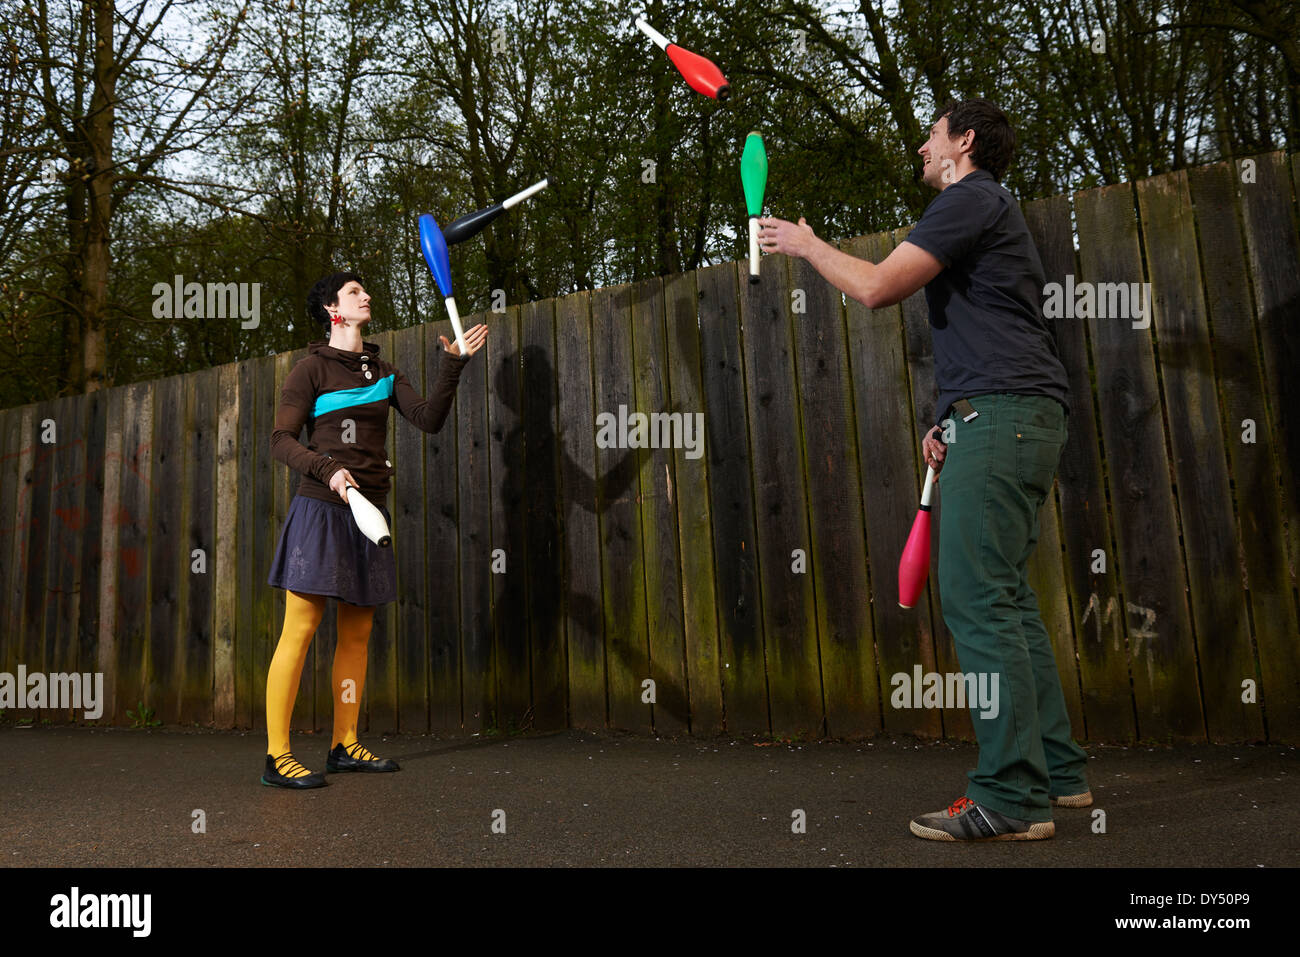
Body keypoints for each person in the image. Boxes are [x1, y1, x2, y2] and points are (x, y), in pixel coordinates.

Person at [757, 99, 1090, 841]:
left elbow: (878, 287)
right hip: (1010, 414)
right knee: (1008, 599)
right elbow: (989, 328)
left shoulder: (969, 198)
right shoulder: (990, 209)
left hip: (1003, 417)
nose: (921, 148)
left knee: (978, 599)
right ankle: (1060, 773)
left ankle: (1010, 796)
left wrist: (807, 245)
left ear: (963, 142)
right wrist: (951, 417)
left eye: (932, 135)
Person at [261, 271, 488, 788]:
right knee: (300, 630)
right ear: (332, 310)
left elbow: (428, 419)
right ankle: (277, 755)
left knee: (357, 635)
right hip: (321, 509)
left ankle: (344, 745)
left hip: (371, 514)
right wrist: (326, 468)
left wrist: (452, 365)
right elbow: (280, 440)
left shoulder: (385, 372)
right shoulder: (310, 370)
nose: (366, 296)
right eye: (354, 292)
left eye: (365, 289)